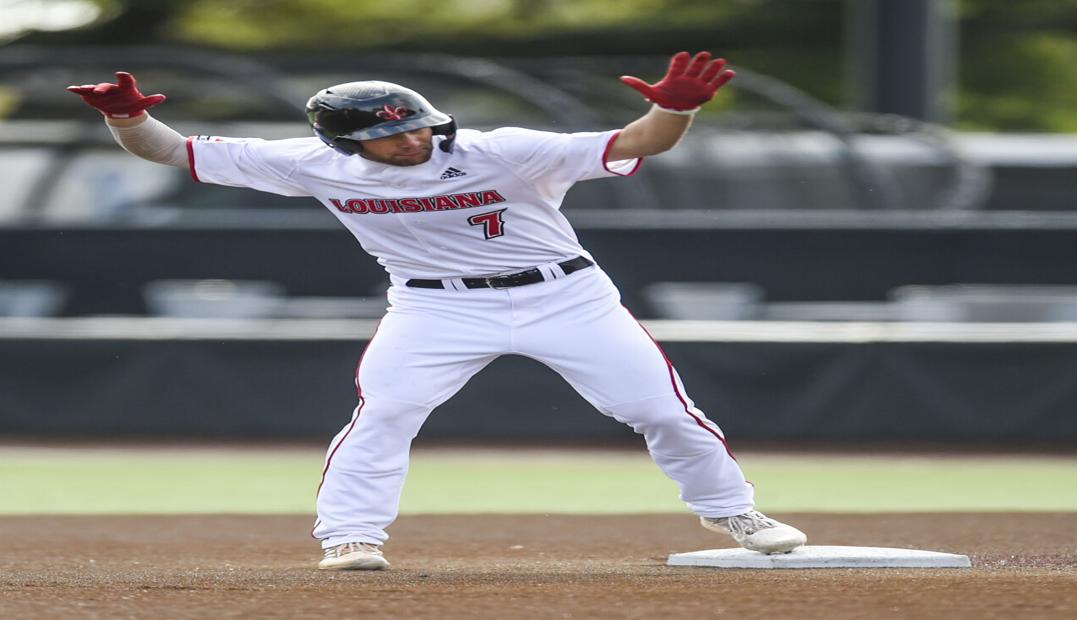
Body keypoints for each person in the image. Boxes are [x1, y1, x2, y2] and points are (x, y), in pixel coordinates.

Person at [68, 51, 807, 571]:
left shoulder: (503, 150)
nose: (410, 138)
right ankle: (350, 537)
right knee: (384, 412)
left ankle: (731, 510)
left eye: (416, 125)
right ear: (344, 143)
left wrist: (671, 107)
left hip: (564, 294)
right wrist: (126, 117)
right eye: (388, 134)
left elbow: (635, 142)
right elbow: (172, 152)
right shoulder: (312, 164)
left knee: (661, 409)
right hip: (433, 309)